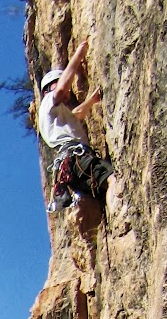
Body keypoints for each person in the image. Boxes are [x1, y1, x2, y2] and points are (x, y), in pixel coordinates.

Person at [34, 39, 114, 211]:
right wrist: (79, 55)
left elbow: (76, 115)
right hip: (77, 159)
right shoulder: (48, 101)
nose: (68, 92)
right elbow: (61, 89)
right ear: (49, 88)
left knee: (103, 192)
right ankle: (125, 210)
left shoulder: (56, 117)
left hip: (71, 169)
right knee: (111, 178)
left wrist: (91, 101)